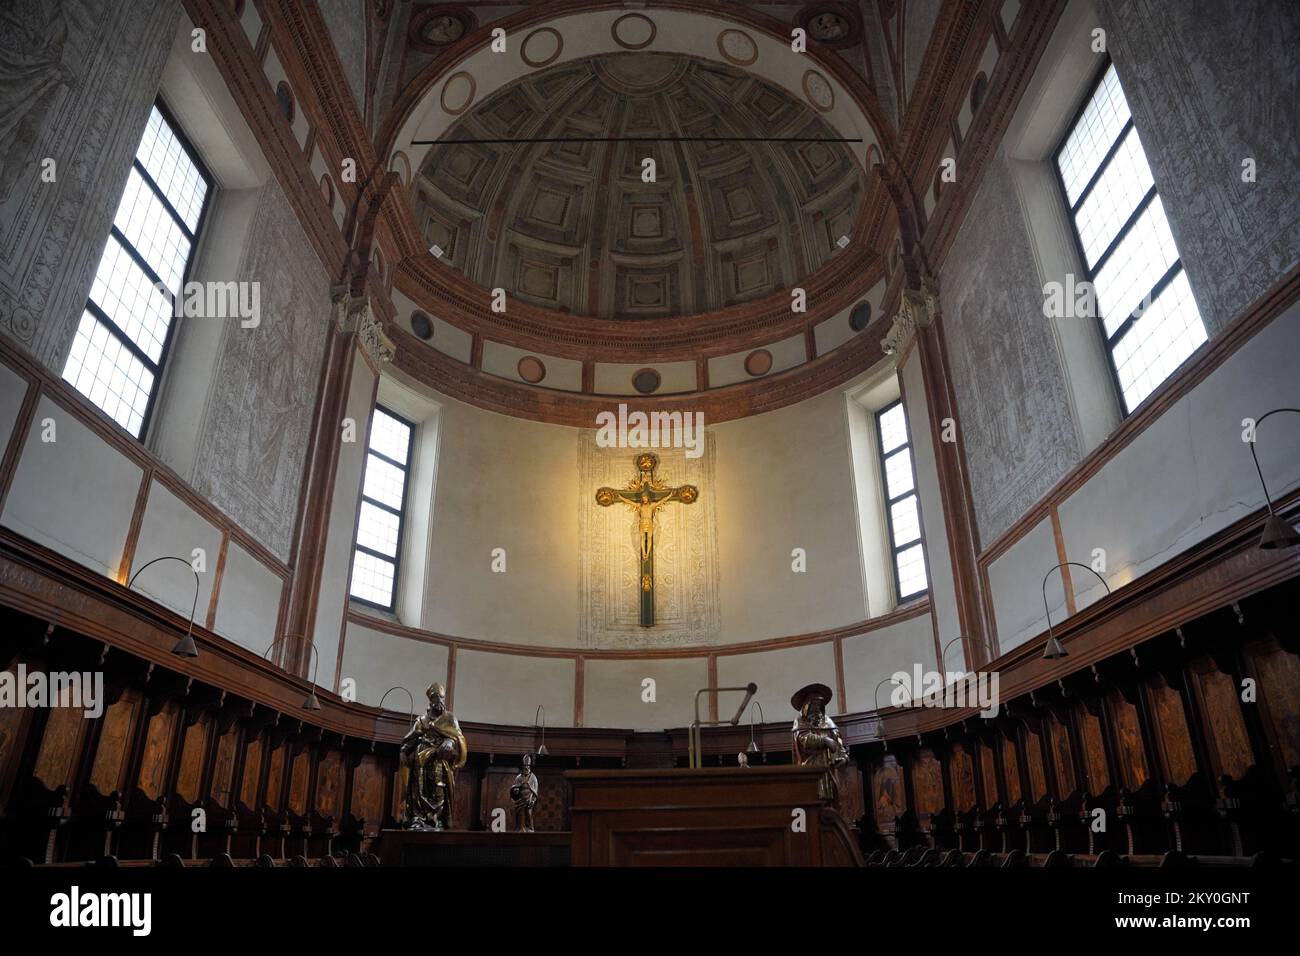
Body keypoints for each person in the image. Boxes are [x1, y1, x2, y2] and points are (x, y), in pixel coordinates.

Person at [400, 682, 467, 830]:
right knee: (418, 789)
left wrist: (449, 742)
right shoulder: (421, 720)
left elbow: (458, 738)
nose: (440, 702)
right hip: (420, 760)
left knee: (438, 790)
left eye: (442, 698)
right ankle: (418, 819)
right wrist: (404, 750)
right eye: (437, 698)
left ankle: (436, 820)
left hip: (439, 761)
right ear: (431, 700)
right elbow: (410, 739)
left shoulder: (449, 719)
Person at [790, 683, 849, 801]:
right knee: (813, 798)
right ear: (807, 706)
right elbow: (804, 738)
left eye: (819, 704)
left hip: (828, 768)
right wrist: (825, 740)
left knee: (831, 800)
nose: (817, 707)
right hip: (810, 768)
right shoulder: (800, 720)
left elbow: (837, 740)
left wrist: (843, 757)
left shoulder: (828, 721)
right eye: (814, 704)